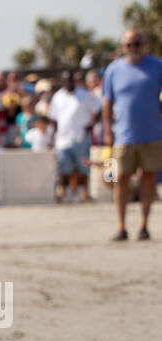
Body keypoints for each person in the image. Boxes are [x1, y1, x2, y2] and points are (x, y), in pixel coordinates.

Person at [101, 30, 162, 240]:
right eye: (129, 45)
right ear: (123, 47)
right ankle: (121, 226)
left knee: (149, 178)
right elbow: (107, 103)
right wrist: (107, 131)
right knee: (119, 179)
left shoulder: (157, 66)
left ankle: (144, 226)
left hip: (153, 134)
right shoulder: (113, 70)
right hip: (123, 136)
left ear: (144, 44)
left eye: (136, 44)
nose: (133, 48)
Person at [48, 71, 100, 203]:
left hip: (81, 137)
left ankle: (84, 194)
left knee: (83, 167)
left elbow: (98, 109)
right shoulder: (57, 97)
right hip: (63, 139)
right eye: (65, 80)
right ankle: (65, 193)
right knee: (64, 167)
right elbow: (53, 118)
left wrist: (91, 125)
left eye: (70, 80)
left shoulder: (84, 94)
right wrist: (53, 136)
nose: (68, 83)